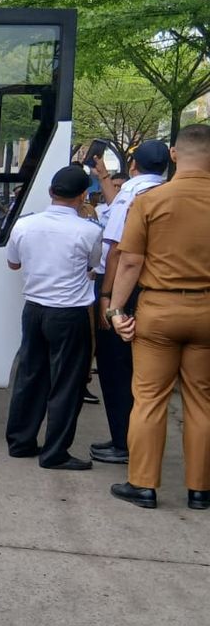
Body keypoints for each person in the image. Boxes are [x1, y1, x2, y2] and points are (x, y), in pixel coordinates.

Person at [106, 123, 210, 509]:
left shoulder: (150, 200)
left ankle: (143, 484)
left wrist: (116, 310)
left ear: (174, 155)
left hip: (160, 310)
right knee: (202, 401)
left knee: (149, 398)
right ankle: (200, 490)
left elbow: (130, 261)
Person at [4, 165, 103, 470]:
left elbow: (13, 264)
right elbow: (94, 266)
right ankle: (55, 452)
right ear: (83, 196)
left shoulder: (24, 225)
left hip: (34, 310)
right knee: (67, 382)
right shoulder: (89, 230)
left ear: (51, 192)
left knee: (30, 376)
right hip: (70, 313)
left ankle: (20, 442)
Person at [90, 140, 169, 464]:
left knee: (116, 367)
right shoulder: (166, 192)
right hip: (160, 290)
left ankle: (123, 442)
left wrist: (108, 299)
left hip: (124, 287)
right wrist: (104, 177)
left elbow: (118, 252)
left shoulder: (131, 194)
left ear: (133, 165)